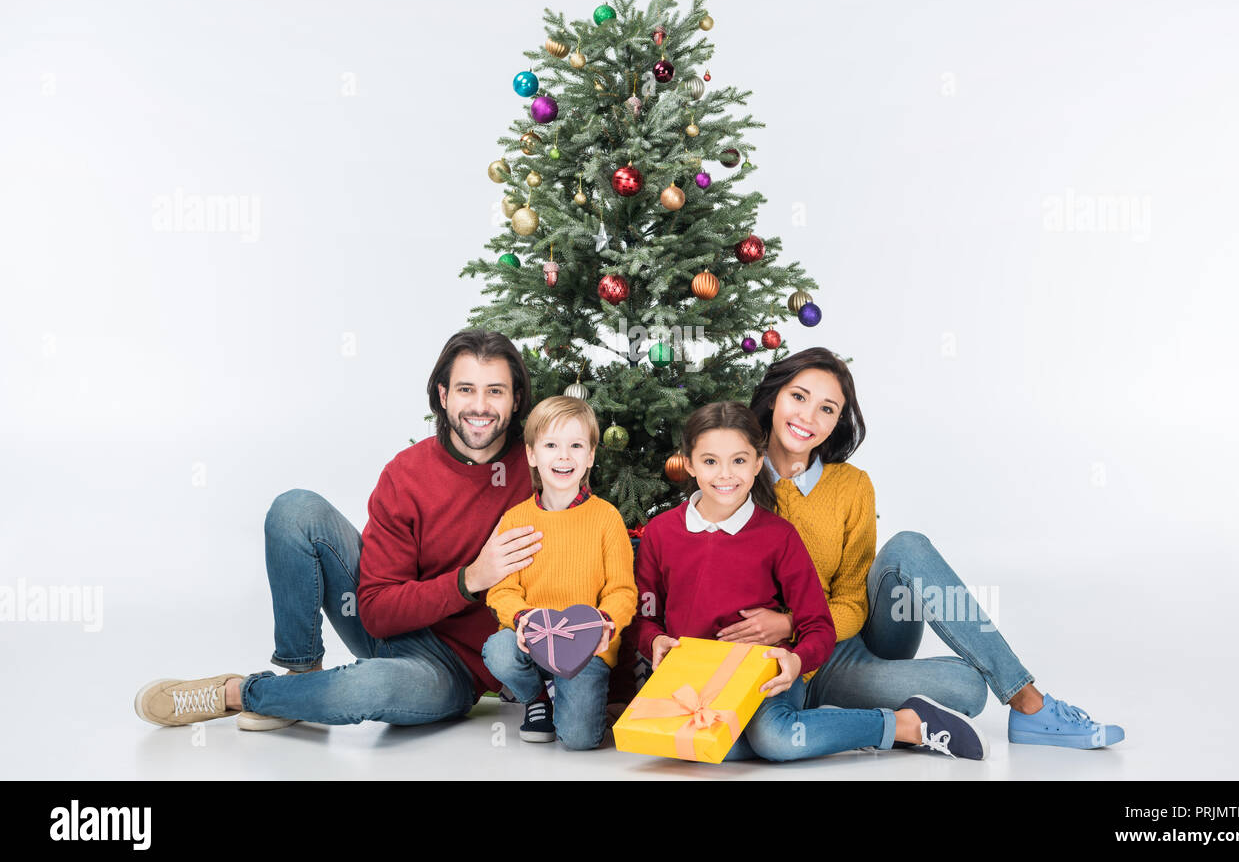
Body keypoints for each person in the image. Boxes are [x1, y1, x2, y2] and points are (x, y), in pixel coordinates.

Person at [710, 347, 1124, 750]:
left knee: (908, 547)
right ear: (774, 398)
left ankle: (1029, 704)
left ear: (837, 422)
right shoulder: (733, 475)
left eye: (827, 408)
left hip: (843, 645)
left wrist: (788, 624)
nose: (808, 417)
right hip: (778, 666)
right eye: (798, 397)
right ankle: (842, 716)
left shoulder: (851, 485)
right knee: (964, 687)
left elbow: (854, 603)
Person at [133, 329, 547, 730]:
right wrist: (469, 580)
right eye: (465, 389)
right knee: (296, 510)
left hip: (450, 671)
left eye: (495, 390)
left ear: (515, 400)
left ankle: (239, 694)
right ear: (442, 395)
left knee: (364, 689)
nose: (480, 405)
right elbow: (377, 611)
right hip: (386, 627)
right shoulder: (407, 474)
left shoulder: (539, 473)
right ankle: (299, 675)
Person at [630, 401, 987, 762]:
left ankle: (905, 725)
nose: (725, 474)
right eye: (710, 462)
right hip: (696, 681)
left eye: (739, 461)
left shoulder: (777, 535)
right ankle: (828, 724)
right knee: (701, 748)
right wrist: (654, 640)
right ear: (688, 463)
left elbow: (817, 625)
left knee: (775, 740)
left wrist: (797, 662)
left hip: (766, 675)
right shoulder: (660, 534)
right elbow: (645, 617)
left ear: (757, 463)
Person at [481, 396, 637, 749]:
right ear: (533, 455)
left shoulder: (606, 518)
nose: (564, 456)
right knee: (498, 650)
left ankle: (578, 701)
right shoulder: (516, 519)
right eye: (551, 445)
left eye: (576, 446)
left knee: (580, 741)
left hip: (587, 647)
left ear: (591, 456)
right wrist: (523, 618)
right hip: (532, 638)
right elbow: (502, 591)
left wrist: (604, 622)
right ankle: (536, 699)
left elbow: (623, 591)